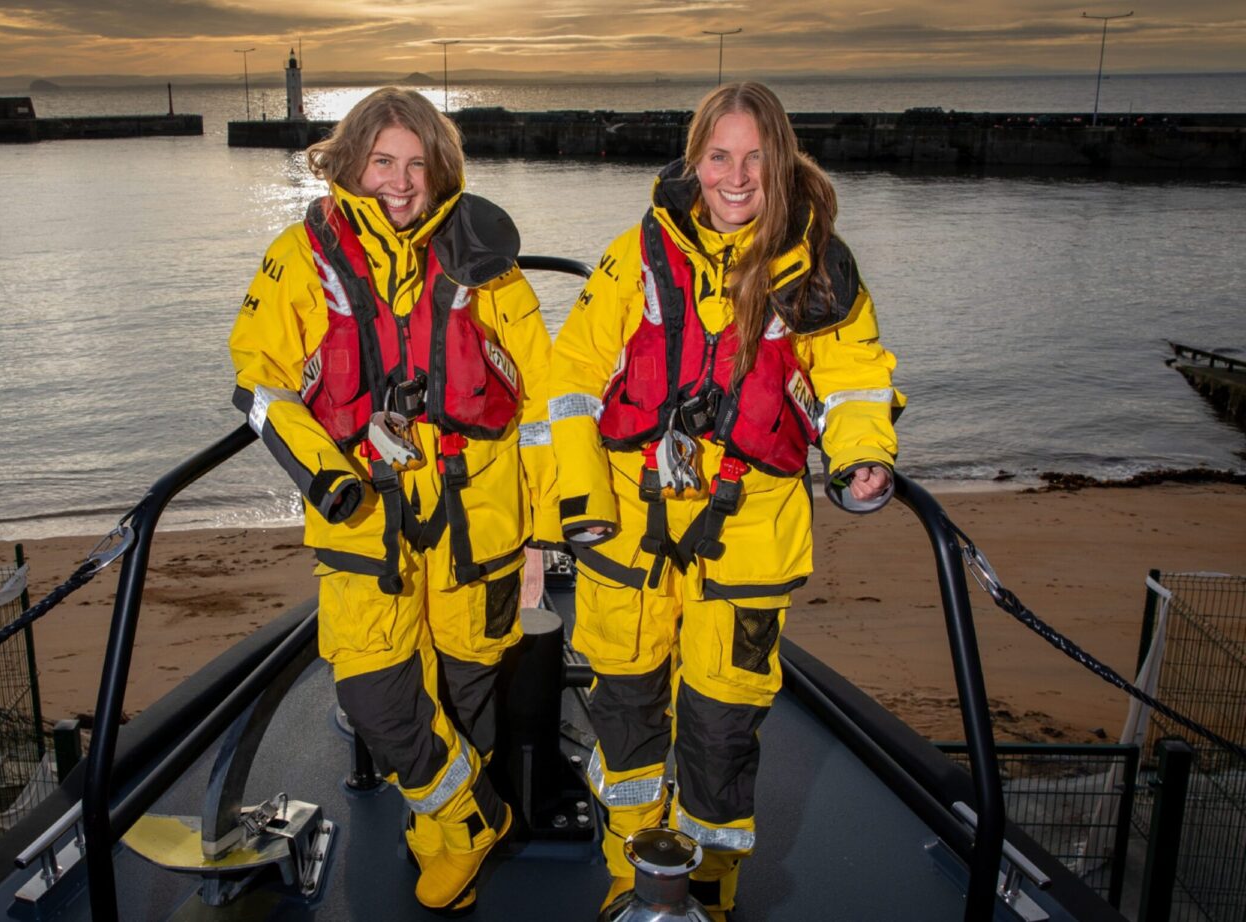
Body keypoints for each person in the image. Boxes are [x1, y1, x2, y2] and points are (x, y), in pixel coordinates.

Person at [549, 81, 903, 917]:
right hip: (626, 532)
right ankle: (631, 877)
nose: (736, 177)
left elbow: (853, 379)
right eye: (719, 156)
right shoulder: (634, 254)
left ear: (780, 161)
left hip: (748, 537)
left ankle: (706, 889)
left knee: (720, 729)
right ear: (694, 160)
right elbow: (568, 380)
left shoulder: (819, 267)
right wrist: (579, 498)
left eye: (754, 157)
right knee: (625, 716)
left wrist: (862, 458)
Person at [228, 87, 558, 912]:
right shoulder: (300, 258)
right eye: (384, 162)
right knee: (373, 692)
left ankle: (445, 840)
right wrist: (326, 474)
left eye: (417, 164)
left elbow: (548, 400)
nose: (401, 182)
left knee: (464, 695)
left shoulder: (485, 259)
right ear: (351, 163)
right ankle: (470, 813)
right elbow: (260, 380)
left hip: (477, 519)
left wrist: (543, 531)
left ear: (440, 170)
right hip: (363, 514)